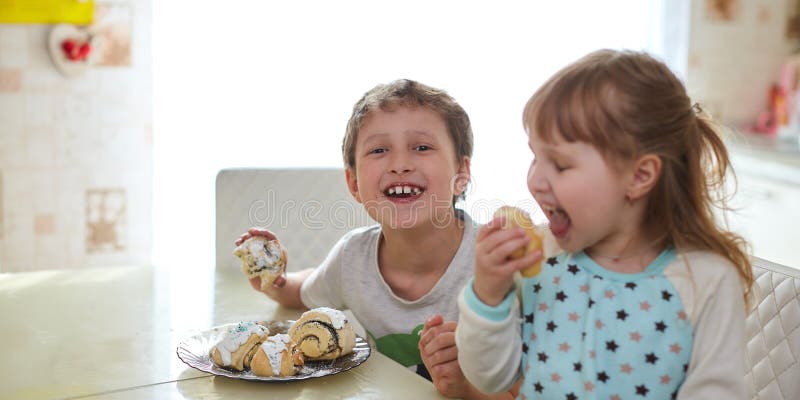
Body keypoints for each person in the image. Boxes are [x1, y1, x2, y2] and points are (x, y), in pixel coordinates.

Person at [456, 49, 754, 399]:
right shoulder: (541, 262)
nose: (535, 180)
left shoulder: (706, 281)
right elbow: (490, 377)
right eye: (535, 158)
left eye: (561, 165)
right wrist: (488, 295)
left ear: (639, 176)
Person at [237, 79, 511, 399]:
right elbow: (304, 293)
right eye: (379, 150)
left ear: (461, 174)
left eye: (422, 147)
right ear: (353, 183)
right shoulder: (353, 257)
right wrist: (277, 280)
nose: (400, 165)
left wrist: (464, 386)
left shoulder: (496, 263)